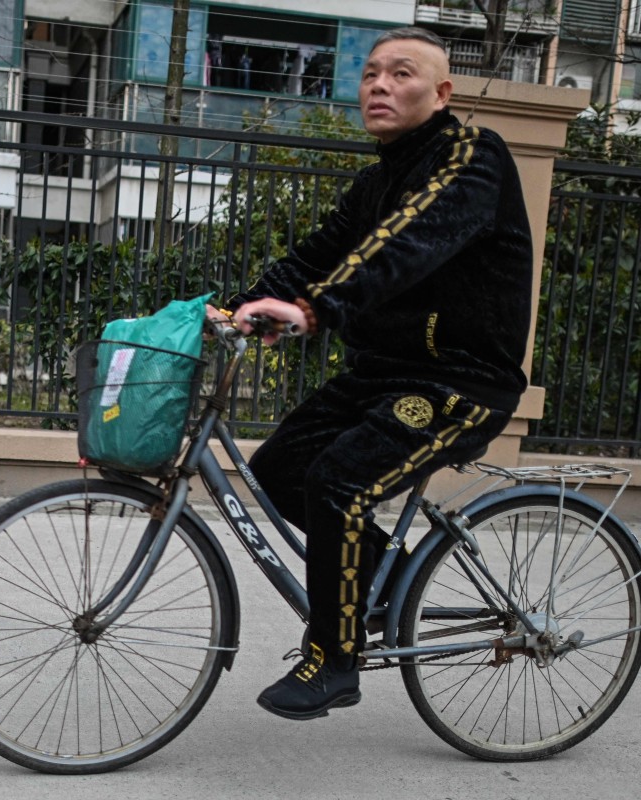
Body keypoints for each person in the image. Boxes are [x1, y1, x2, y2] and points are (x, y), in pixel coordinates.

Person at [210, 27, 533, 720]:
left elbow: (406, 243)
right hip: (382, 372)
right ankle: (389, 578)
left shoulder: (472, 158)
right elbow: (321, 252)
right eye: (371, 74)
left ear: (442, 93)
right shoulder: (376, 180)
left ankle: (335, 657)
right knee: (278, 473)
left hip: (459, 382)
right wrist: (234, 307)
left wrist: (316, 309)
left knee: (339, 482)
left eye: (402, 73)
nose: (380, 85)